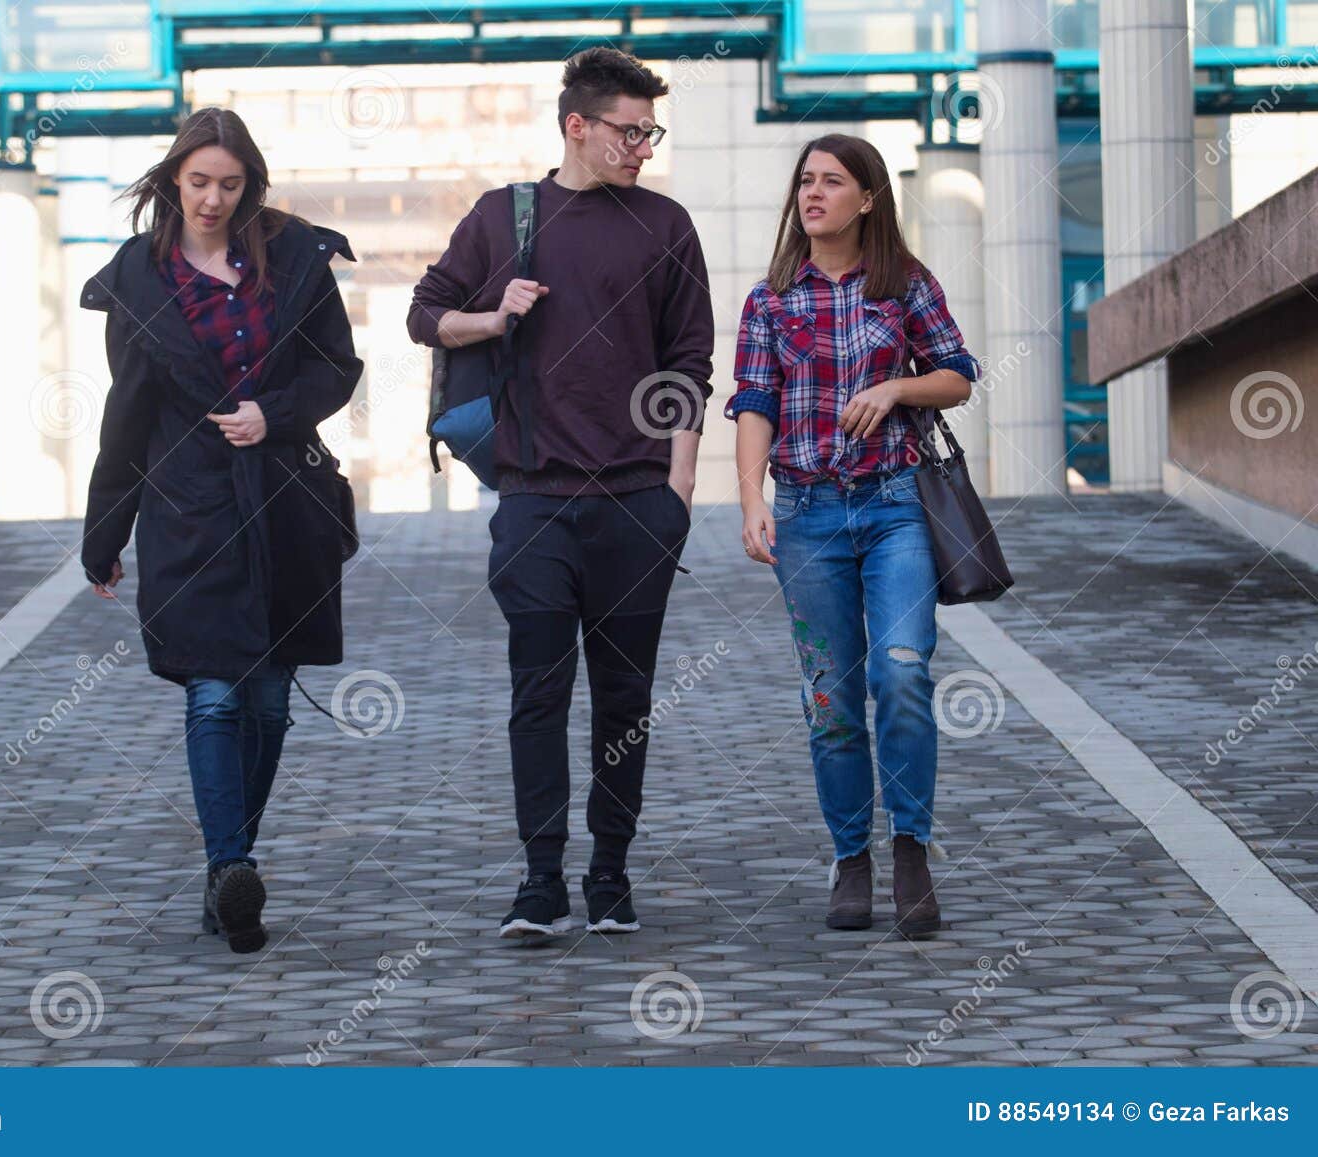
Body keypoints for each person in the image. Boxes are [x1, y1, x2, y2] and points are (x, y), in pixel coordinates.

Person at [407, 48, 714, 939]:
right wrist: (494, 313)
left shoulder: (666, 223)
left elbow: (689, 361)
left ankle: (609, 875)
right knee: (537, 692)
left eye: (650, 131)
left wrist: (679, 489)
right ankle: (540, 882)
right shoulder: (504, 216)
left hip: (635, 502)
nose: (642, 147)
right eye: (629, 130)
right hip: (534, 498)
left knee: (625, 699)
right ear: (577, 126)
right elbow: (424, 313)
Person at [80, 107, 363, 954]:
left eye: (229, 185)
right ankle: (230, 863)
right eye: (199, 181)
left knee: (272, 698)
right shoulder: (139, 280)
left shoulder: (296, 258)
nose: (212, 198)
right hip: (189, 511)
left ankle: (225, 874)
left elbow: (336, 367)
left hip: (285, 502)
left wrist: (269, 415)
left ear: (251, 187)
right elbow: (124, 418)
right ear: (174, 179)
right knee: (217, 688)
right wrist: (106, 534)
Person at [728, 133, 978, 939]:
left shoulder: (904, 285)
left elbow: (959, 375)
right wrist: (749, 500)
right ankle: (851, 858)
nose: (813, 193)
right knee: (831, 700)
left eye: (832, 181)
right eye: (806, 180)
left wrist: (897, 385)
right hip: (805, 515)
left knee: (902, 672)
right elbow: (754, 401)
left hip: (895, 504)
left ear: (867, 198)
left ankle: (910, 847)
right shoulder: (770, 300)